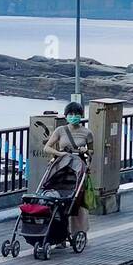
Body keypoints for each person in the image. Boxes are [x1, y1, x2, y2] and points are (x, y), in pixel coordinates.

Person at [44, 101, 94, 237]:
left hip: (78, 170)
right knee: (58, 199)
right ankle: (59, 233)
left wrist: (87, 150)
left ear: (81, 115)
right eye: (71, 114)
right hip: (62, 168)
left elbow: (92, 152)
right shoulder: (60, 131)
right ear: (66, 116)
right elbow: (47, 147)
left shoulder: (87, 133)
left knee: (77, 201)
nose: (74, 117)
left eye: (76, 114)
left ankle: (78, 232)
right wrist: (60, 154)